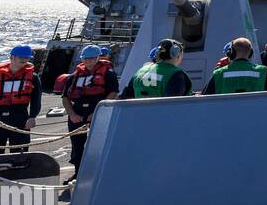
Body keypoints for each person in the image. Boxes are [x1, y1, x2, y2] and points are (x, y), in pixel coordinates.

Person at [61, 44, 118, 176]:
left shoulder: (108, 74)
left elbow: (113, 93)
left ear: (98, 58)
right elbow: (65, 97)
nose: (88, 61)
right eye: (85, 58)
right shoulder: (74, 76)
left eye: (91, 58)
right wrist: (72, 115)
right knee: (77, 145)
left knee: (99, 146)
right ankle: (78, 173)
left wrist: (98, 112)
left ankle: (101, 173)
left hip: (98, 112)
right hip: (78, 113)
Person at [0, 45, 42, 153]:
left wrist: (32, 117)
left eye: (26, 58)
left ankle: (19, 169)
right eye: (21, 57)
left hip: (20, 116)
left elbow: (36, 99)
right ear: (12, 57)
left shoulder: (33, 78)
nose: (24, 60)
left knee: (20, 152)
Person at [121, 39, 192, 98]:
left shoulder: (141, 71)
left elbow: (125, 98)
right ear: (177, 54)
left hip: (137, 114)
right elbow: (174, 105)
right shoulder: (176, 75)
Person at [202, 38, 267, 95]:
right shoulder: (262, 72)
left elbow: (205, 98)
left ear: (231, 53)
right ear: (251, 53)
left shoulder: (218, 73)